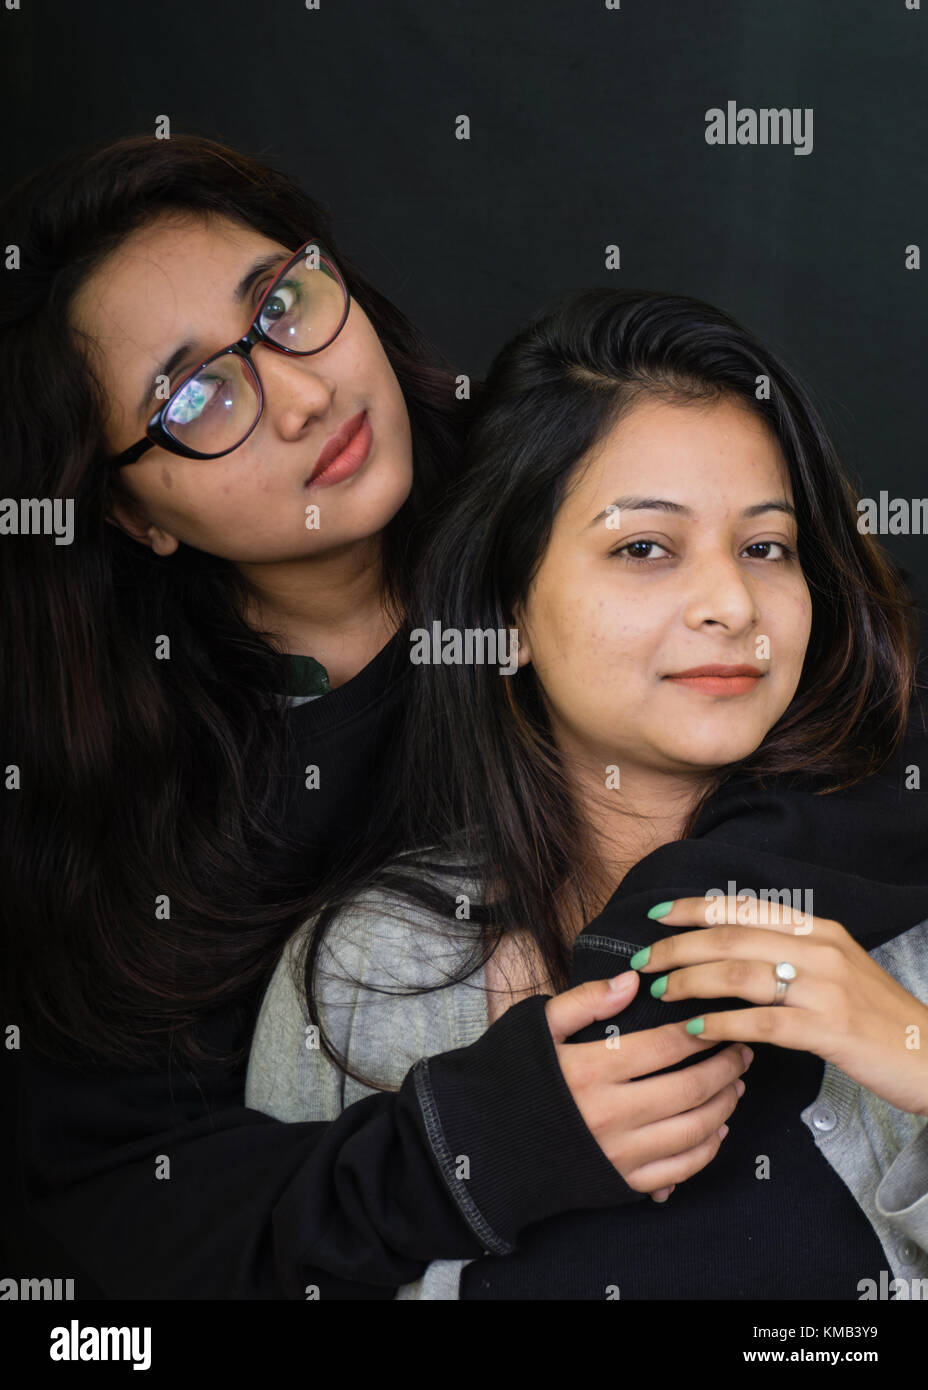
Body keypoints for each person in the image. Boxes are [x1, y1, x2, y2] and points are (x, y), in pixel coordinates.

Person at [0, 136, 752, 1299]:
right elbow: (116, 1221)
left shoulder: (563, 481)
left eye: (283, 303)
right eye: (197, 395)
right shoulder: (113, 795)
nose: (303, 395)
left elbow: (853, 706)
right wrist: (461, 1147)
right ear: (131, 513)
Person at [246, 287, 928, 1298]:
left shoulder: (909, 923)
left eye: (765, 546)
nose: (730, 603)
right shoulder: (368, 968)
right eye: (642, 548)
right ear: (505, 615)